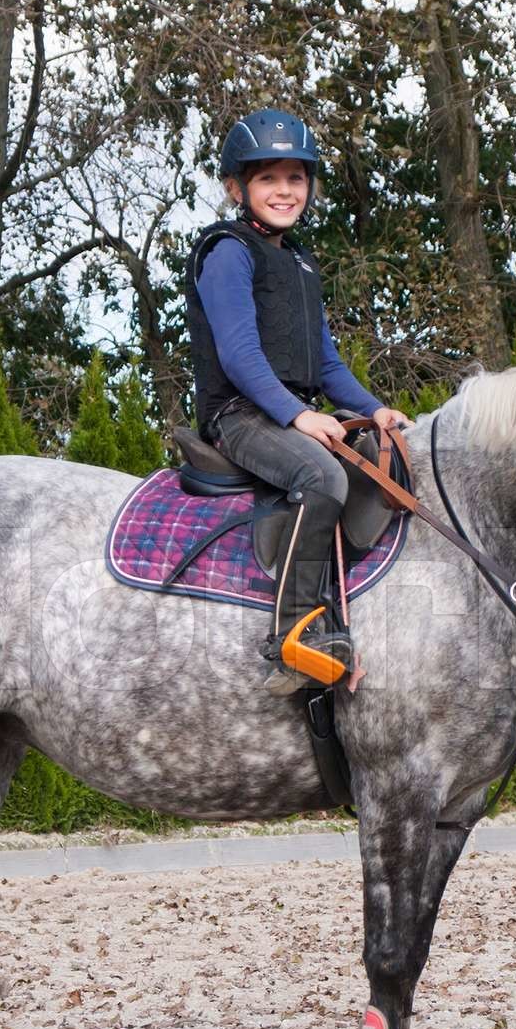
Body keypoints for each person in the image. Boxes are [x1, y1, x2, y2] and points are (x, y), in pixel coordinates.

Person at [183, 108, 412, 694]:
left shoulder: (302, 263)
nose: (284, 191)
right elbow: (238, 356)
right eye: (267, 178)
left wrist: (375, 408)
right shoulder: (228, 252)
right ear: (238, 187)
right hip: (239, 414)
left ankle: (351, 614)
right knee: (322, 478)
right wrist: (299, 415)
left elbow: (327, 361)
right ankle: (293, 636)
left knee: (380, 461)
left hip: (287, 410)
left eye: (296, 178)